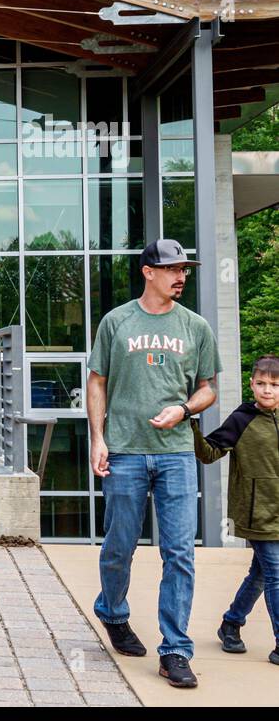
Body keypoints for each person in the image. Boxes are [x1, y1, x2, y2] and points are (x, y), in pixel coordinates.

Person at [87, 239, 222, 689]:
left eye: (184, 270)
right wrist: (98, 438)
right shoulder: (117, 321)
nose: (181, 277)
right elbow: (97, 381)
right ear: (148, 272)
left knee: (180, 552)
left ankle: (175, 650)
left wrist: (184, 409)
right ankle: (112, 612)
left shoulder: (196, 326)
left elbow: (208, 387)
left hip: (177, 453)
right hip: (125, 450)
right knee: (119, 546)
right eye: (172, 269)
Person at [192, 355, 279, 665]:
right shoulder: (242, 419)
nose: (267, 390)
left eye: (274, 385)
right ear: (251, 384)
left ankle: (231, 623)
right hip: (257, 513)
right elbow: (209, 452)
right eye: (261, 383)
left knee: (261, 574)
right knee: (276, 575)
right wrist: (189, 425)